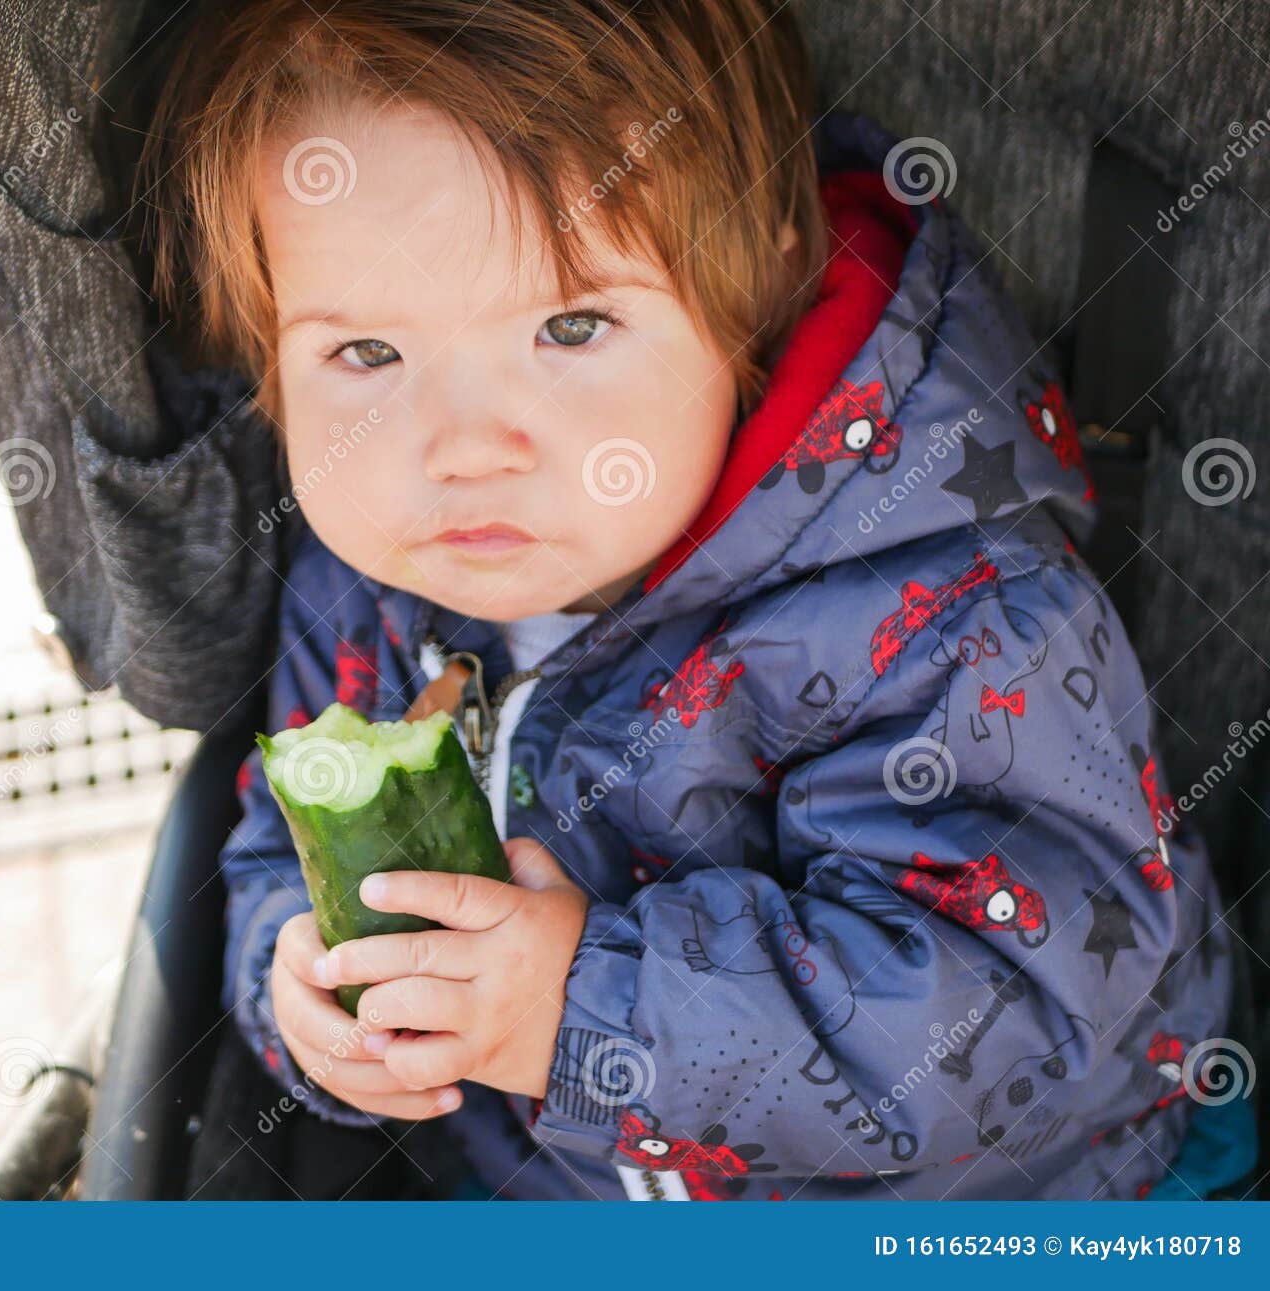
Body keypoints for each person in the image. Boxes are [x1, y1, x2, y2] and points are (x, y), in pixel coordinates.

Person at [142, 0, 1232, 1200]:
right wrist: (290, 987)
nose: (459, 448)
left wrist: (589, 1012)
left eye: (569, 325)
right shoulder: (358, 594)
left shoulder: (946, 615)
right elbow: (264, 855)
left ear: (763, 280)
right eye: (366, 356)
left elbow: (1005, 1016)